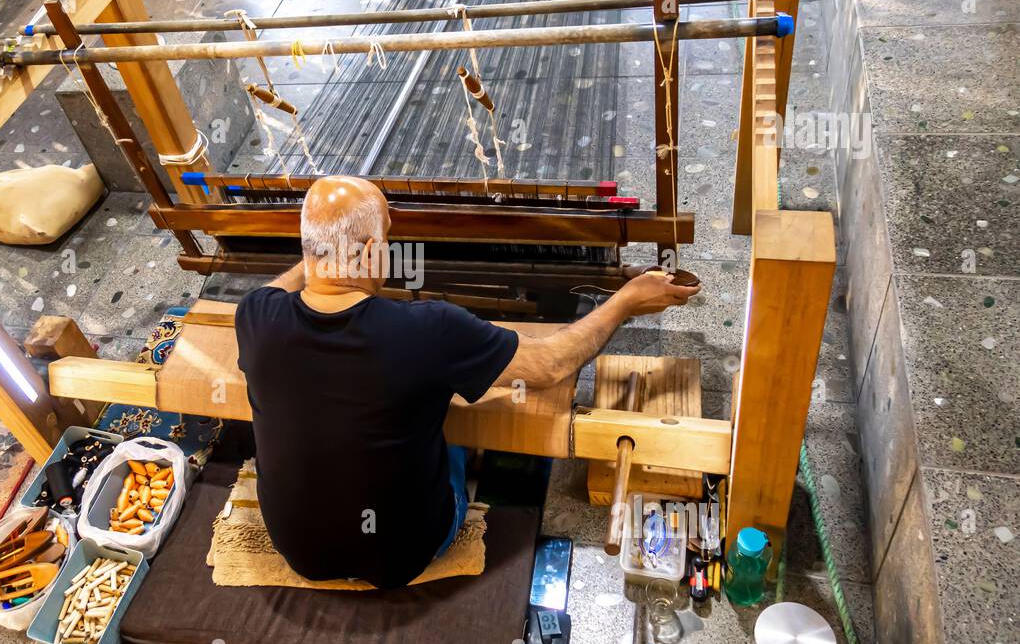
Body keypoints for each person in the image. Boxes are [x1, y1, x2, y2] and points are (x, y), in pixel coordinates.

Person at [235, 176, 699, 588]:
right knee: (451, 425)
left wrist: (324, 247)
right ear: (376, 253)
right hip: (404, 557)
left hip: (300, 553)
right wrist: (625, 300)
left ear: (307, 249)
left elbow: (283, 287)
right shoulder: (431, 329)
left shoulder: (255, 317)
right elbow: (549, 366)